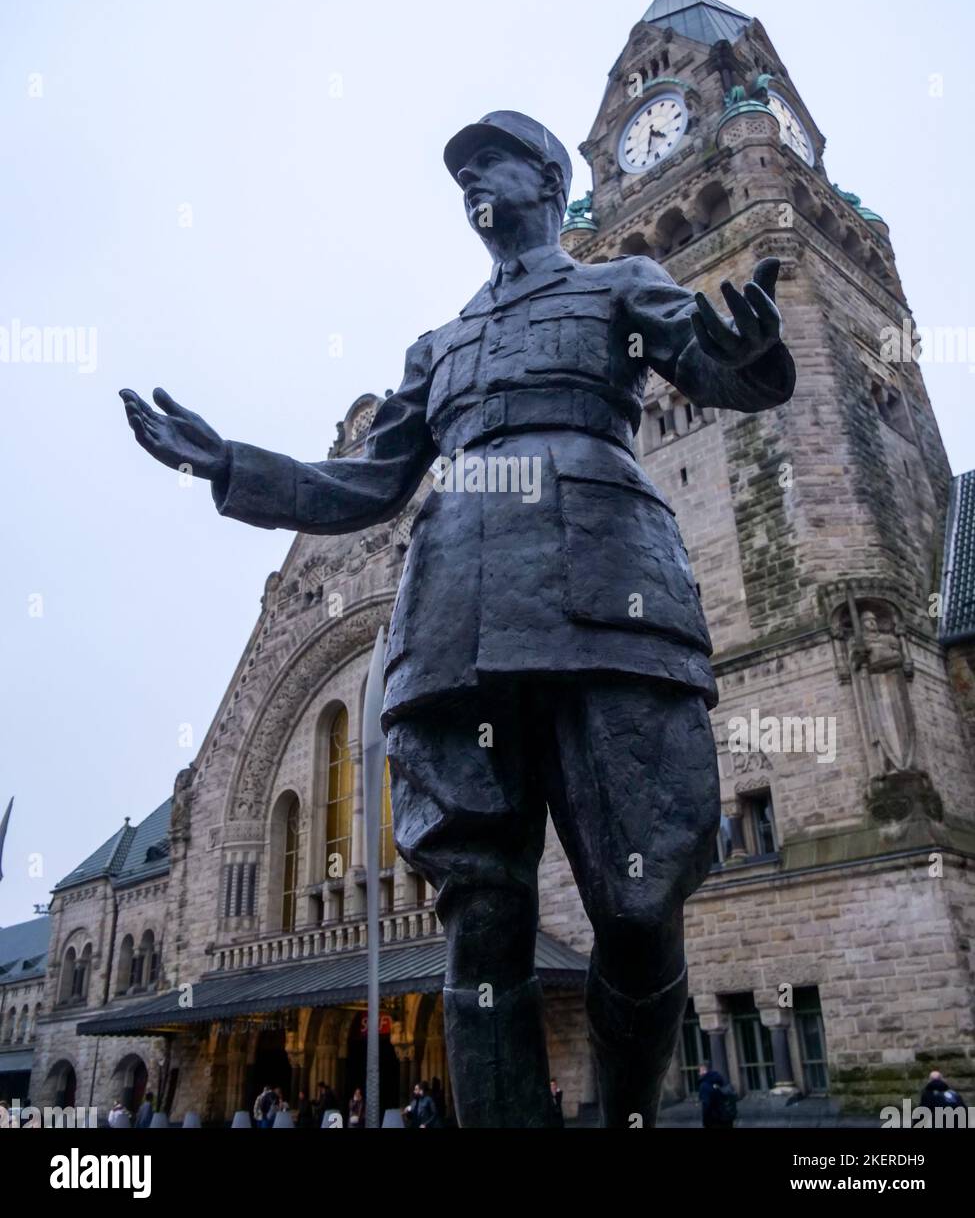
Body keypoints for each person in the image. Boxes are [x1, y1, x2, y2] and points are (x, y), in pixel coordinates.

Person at [121, 111, 795, 1129]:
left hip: (610, 592)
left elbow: (720, 367)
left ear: (546, 181)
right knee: (482, 917)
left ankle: (626, 1114)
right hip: (458, 616)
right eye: (461, 173)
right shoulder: (438, 345)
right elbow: (363, 482)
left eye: (491, 163)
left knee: (639, 900)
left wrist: (749, 352)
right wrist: (227, 464)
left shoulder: (620, 285)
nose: (472, 180)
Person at [698, 1063, 736, 1129]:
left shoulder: (704, 1085)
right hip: (727, 1117)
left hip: (714, 1120)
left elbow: (706, 1106)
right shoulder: (720, 1079)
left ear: (704, 1071)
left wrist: (705, 1122)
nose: (699, 1073)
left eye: (700, 1071)